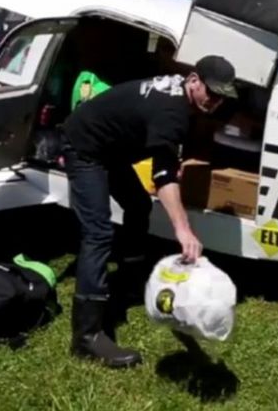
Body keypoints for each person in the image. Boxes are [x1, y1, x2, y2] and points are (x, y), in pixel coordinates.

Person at [59, 54, 238, 368]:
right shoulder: (173, 111)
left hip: (109, 148)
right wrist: (183, 230)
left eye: (223, 96)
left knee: (138, 205)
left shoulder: (180, 100)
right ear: (193, 80)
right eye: (212, 92)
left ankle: (129, 282)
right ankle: (86, 337)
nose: (215, 101)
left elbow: (162, 157)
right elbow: (163, 175)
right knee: (98, 233)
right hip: (85, 147)